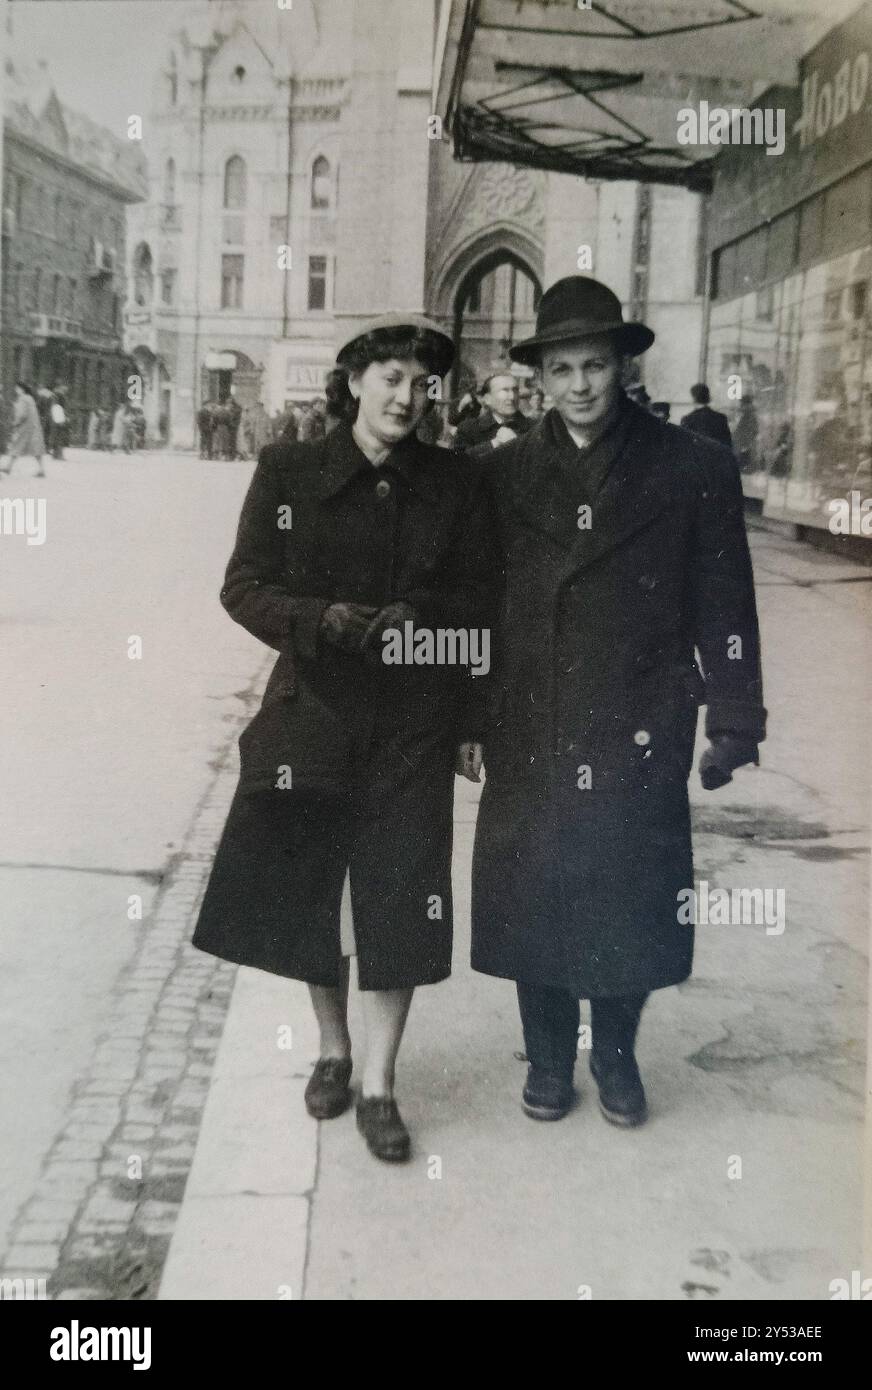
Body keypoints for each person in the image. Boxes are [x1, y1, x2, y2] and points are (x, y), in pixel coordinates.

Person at [192, 313, 495, 1163]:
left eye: (421, 381)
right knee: (313, 888)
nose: (407, 395)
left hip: (413, 725)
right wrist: (317, 618)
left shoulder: (457, 482)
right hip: (312, 712)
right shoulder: (288, 469)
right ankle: (332, 1049)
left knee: (399, 894)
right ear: (355, 381)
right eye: (390, 377)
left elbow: (481, 604)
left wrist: (426, 627)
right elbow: (242, 587)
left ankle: (380, 1085)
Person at [466, 275, 766, 1127]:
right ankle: (551, 1058)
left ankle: (620, 1053)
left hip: (639, 716)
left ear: (624, 367)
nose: (579, 387)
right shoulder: (504, 473)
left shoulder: (692, 466)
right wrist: (467, 715)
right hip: (532, 715)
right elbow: (479, 602)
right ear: (540, 379)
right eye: (560, 370)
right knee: (534, 890)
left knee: (629, 893)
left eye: (594, 365)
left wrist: (735, 718)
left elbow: (725, 601)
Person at [454, 371, 532, 452]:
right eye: (505, 390)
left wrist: (518, 444)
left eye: (515, 390)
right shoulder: (468, 429)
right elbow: (458, 461)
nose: (512, 397)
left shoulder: (534, 428)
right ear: (488, 399)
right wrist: (494, 444)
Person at [1, 383, 47, 477]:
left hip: (24, 428)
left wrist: (15, 423)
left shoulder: (22, 399)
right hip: (33, 427)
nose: (16, 390)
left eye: (17, 388)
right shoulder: (30, 398)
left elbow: (22, 414)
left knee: (16, 446)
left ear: (21, 389)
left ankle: (8, 467)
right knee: (36, 449)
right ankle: (41, 469)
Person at [680, 383, 733, 448]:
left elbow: (684, 446)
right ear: (708, 397)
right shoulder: (721, 418)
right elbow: (728, 444)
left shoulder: (687, 419)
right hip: (716, 456)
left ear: (693, 398)